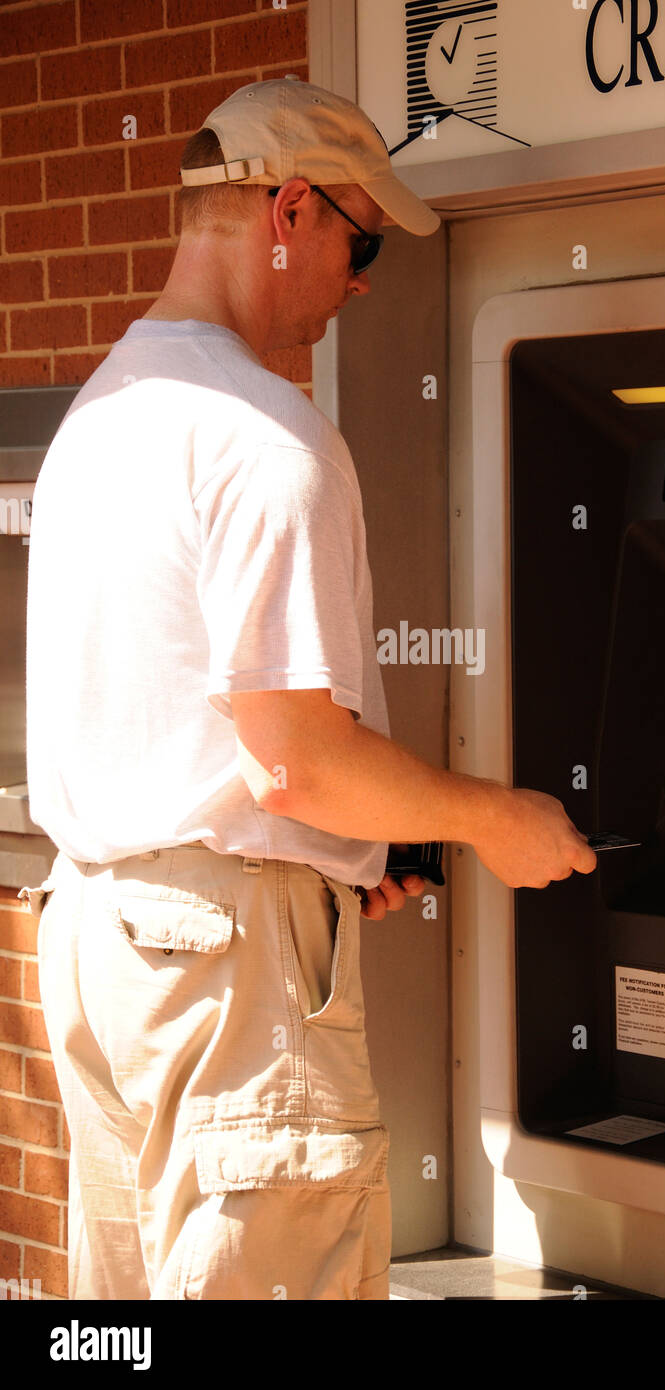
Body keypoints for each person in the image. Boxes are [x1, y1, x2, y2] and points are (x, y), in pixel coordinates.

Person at [19, 76, 596, 1301]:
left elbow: (192, 723)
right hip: (227, 975)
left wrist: (343, 851)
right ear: (288, 210)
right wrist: (496, 819)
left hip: (103, 944)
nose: (364, 277)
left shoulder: (103, 414)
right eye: (360, 237)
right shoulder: (268, 439)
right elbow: (295, 759)